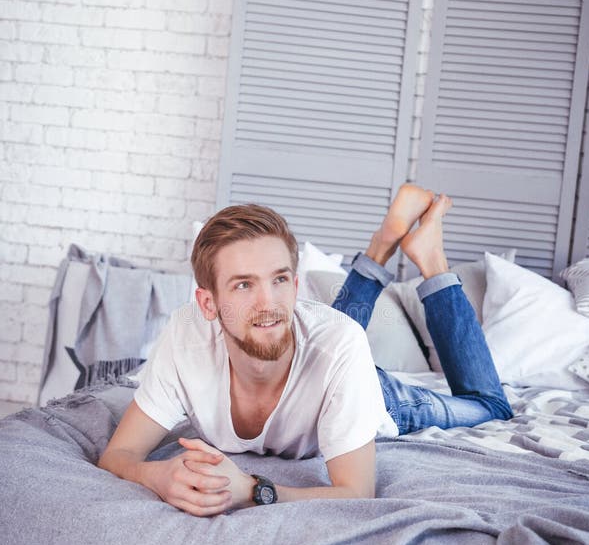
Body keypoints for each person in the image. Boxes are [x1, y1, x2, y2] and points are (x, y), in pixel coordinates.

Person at [97, 184, 512, 516]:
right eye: (243, 284)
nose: (267, 302)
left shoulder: (338, 347)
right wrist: (156, 475)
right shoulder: (185, 337)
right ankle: (382, 243)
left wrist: (253, 490)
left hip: (377, 397)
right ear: (207, 304)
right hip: (321, 350)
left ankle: (431, 257)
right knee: (313, 329)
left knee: (490, 405)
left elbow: (356, 493)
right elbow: (118, 455)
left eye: (279, 279)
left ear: (296, 286)